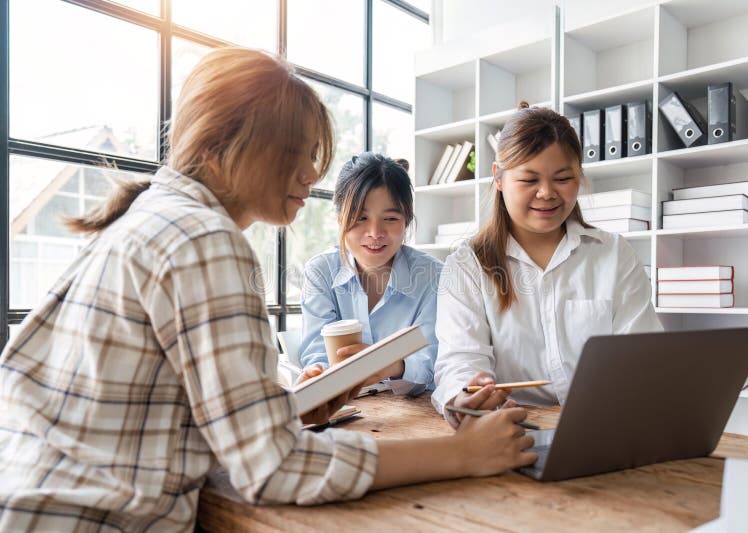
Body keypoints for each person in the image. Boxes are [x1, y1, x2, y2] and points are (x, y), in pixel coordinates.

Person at [0, 49, 537, 531]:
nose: (310, 173)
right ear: (226, 146)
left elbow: (166, 409)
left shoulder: (151, 220)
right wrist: (462, 454)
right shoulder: (204, 241)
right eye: (295, 152)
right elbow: (274, 468)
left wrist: (287, 412)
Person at [432, 103, 662, 427]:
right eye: (529, 180)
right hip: (513, 427)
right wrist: (468, 392)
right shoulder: (467, 266)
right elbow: (460, 360)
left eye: (563, 178)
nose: (546, 193)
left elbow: (644, 355)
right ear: (498, 178)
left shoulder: (614, 254)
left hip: (607, 423)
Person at [298, 152, 440, 395]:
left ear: (406, 220)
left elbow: (431, 362)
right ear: (340, 218)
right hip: (343, 407)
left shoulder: (433, 276)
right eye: (361, 218)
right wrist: (316, 377)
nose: (375, 232)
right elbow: (317, 353)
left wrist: (392, 366)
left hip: (411, 412)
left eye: (390, 218)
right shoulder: (320, 272)